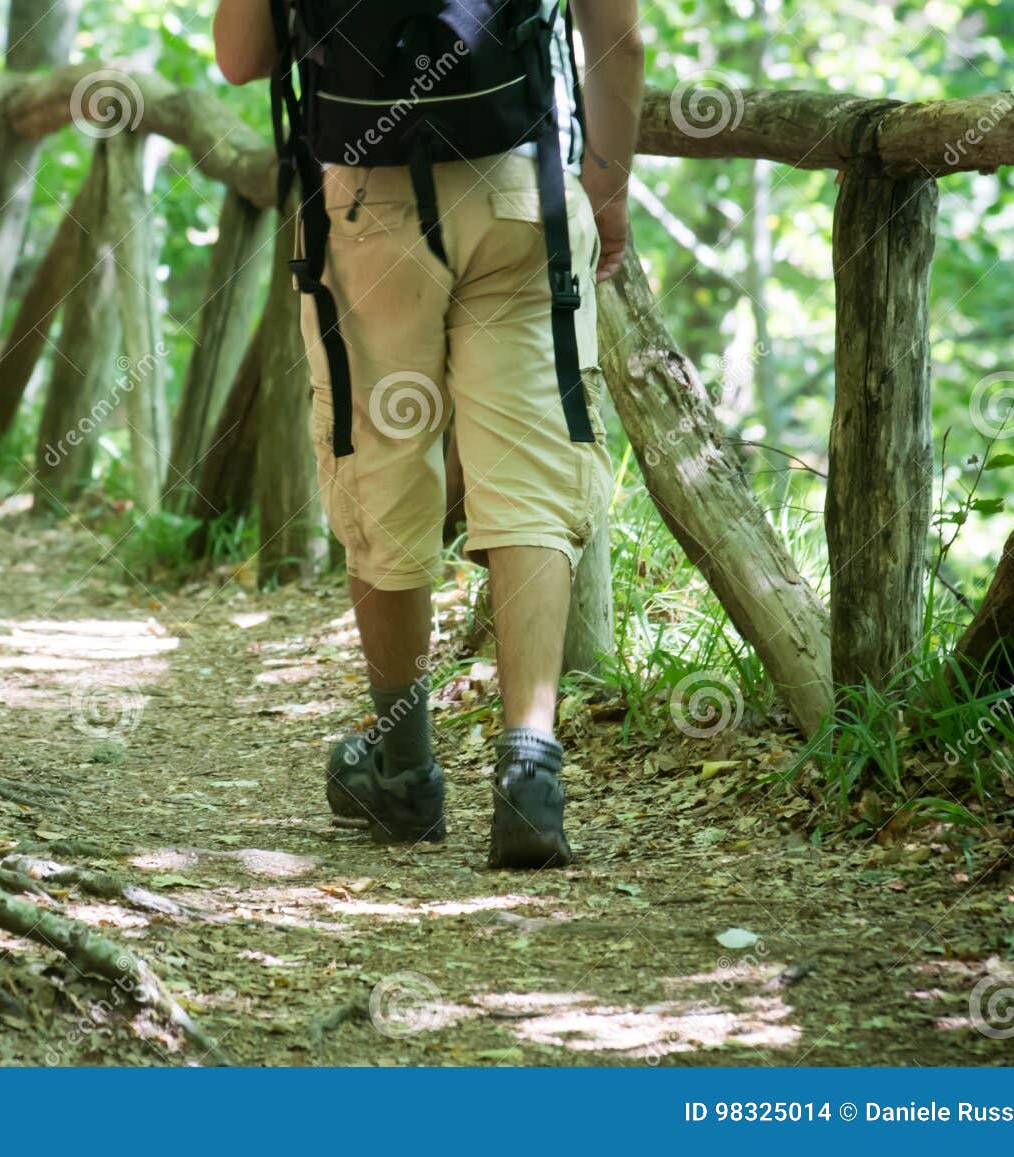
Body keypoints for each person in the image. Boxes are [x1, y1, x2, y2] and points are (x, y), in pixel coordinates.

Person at [214, 0, 644, 867]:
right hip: (523, 193)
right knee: (527, 467)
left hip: (366, 206)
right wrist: (607, 186)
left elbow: (241, 56)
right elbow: (618, 39)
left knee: (380, 460)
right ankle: (530, 764)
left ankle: (405, 767)